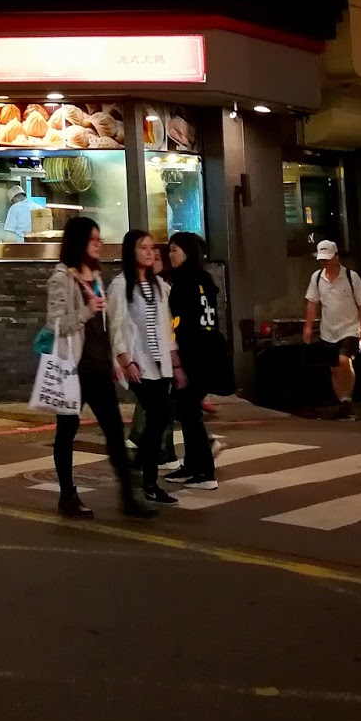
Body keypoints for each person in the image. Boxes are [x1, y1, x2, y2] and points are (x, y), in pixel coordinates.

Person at [49, 218, 152, 519]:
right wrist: (85, 311)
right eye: (93, 238)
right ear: (79, 241)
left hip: (98, 367)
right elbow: (55, 324)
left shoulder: (96, 276)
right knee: (66, 432)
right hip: (73, 367)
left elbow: (105, 327)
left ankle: (129, 497)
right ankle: (68, 496)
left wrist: (113, 360)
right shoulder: (61, 277)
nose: (99, 243)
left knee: (114, 432)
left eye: (99, 238)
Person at [108, 229, 186, 506]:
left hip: (161, 364)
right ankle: (149, 481)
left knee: (160, 421)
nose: (150, 253)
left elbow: (167, 329)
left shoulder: (158, 286)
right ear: (131, 252)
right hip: (140, 365)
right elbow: (115, 327)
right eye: (143, 248)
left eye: (152, 248)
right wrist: (125, 360)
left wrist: (176, 365)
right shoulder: (120, 285)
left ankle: (141, 469)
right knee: (157, 419)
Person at [165, 231, 223, 489]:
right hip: (210, 351)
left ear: (187, 252)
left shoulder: (184, 282)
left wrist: (176, 358)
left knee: (189, 412)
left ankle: (204, 472)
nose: (170, 255)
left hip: (193, 353)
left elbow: (179, 322)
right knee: (188, 411)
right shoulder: (204, 280)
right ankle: (191, 464)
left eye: (174, 250)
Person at [302, 239, 361, 419]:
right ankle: (343, 401)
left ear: (337, 257)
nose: (326, 263)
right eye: (322, 259)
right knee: (334, 368)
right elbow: (312, 303)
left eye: (328, 258)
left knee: (343, 360)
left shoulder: (351, 277)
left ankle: (346, 399)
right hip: (328, 331)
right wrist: (308, 327)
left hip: (350, 328)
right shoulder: (317, 278)